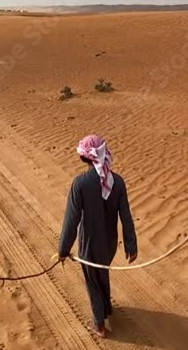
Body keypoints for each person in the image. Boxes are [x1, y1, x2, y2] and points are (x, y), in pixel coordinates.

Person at [58, 135, 138, 338]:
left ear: (85, 157)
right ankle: (106, 308)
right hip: (109, 244)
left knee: (92, 280)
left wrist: (63, 249)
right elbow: (126, 215)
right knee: (101, 272)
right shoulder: (117, 182)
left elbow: (71, 219)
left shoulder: (80, 184)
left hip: (90, 244)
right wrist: (131, 246)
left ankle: (99, 323)